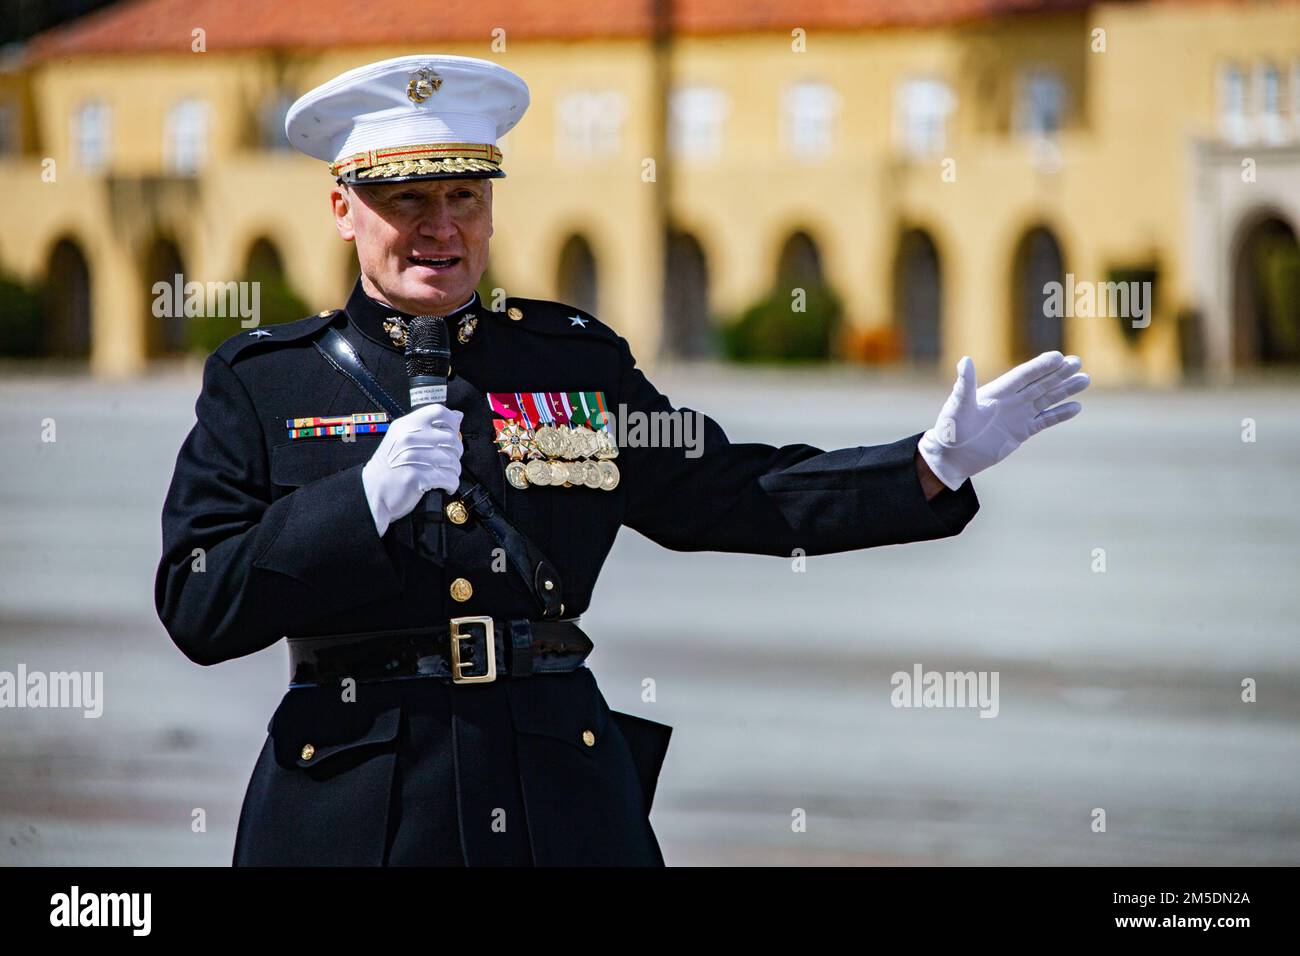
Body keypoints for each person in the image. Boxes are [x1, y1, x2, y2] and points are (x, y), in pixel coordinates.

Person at [153, 54, 1090, 866]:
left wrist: (927, 466)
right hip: (358, 802)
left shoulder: (569, 359)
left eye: (464, 198)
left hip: (553, 789)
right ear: (343, 209)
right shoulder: (265, 382)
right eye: (407, 201)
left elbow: (721, 493)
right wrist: (356, 506)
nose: (441, 227)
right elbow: (199, 604)